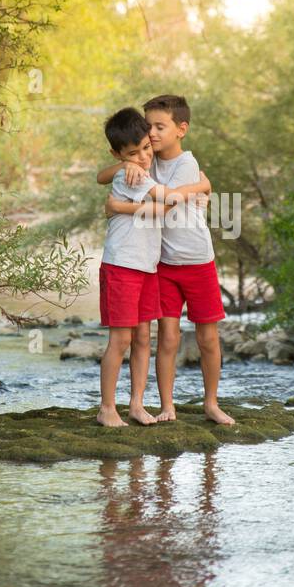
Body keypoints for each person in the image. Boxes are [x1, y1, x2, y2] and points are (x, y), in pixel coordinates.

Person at [98, 95, 234, 426]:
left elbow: (169, 201)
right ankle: (166, 406)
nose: (153, 135)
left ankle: (211, 402)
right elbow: (104, 176)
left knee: (208, 337)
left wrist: (204, 183)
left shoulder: (186, 163)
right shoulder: (147, 160)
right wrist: (125, 165)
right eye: (150, 128)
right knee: (167, 338)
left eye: (160, 127)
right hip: (162, 265)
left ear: (181, 129)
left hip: (199, 260)